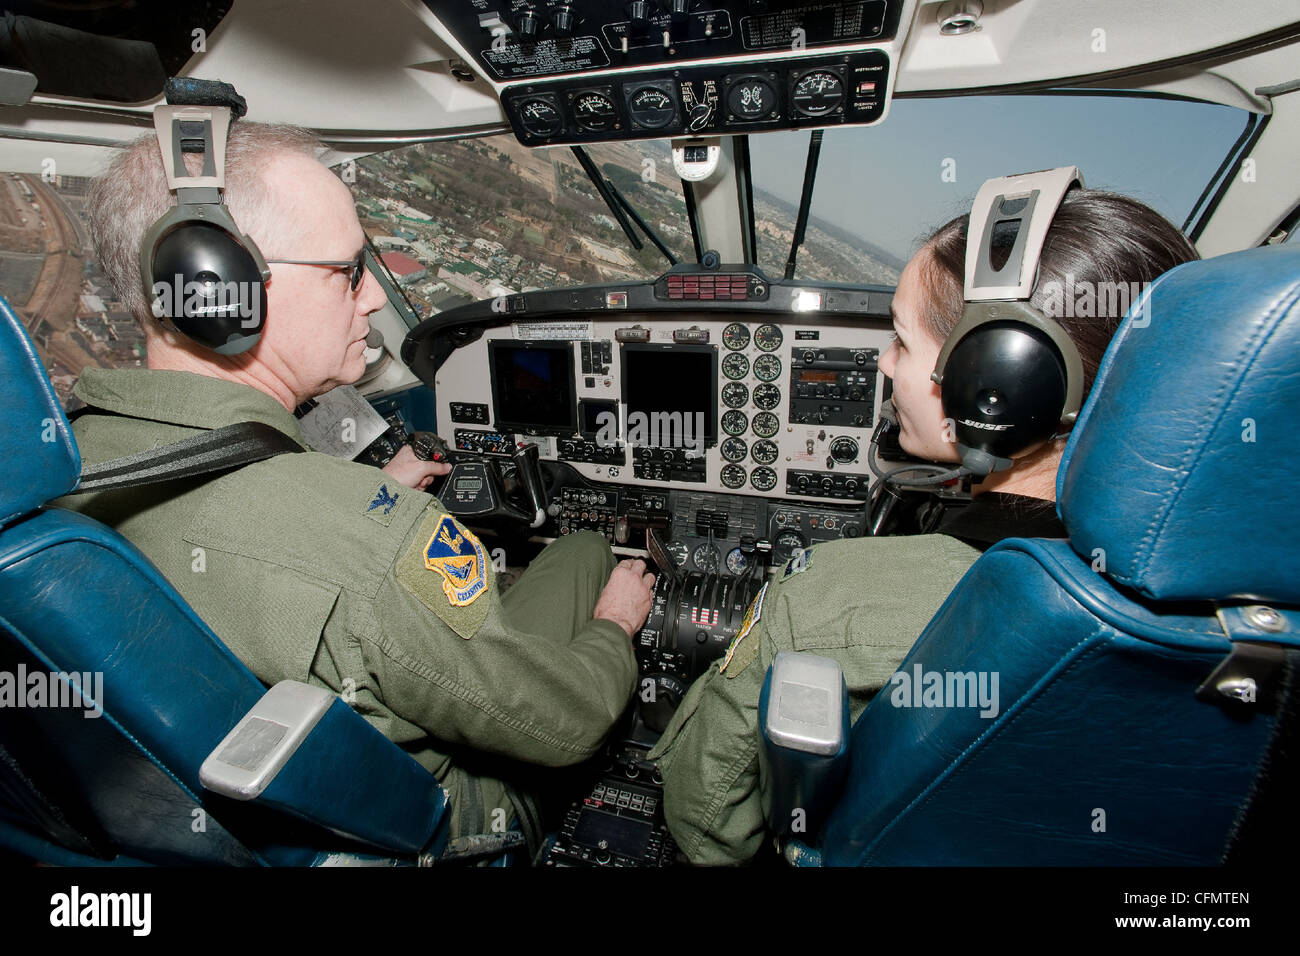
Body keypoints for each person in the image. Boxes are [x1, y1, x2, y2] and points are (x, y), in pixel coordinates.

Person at [57, 119, 657, 846]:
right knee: (584, 552)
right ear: (222, 289)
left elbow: (257, 543)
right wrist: (618, 623)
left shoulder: (62, 461)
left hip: (198, 827)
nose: (373, 296)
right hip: (428, 821)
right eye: (347, 271)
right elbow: (565, 727)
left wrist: (356, 503)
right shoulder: (375, 544)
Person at [649, 186, 1201, 864]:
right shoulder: (1226, 611)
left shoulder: (831, 602)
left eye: (901, 343)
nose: (882, 364)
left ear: (994, 388)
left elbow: (706, 823)